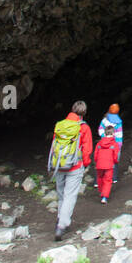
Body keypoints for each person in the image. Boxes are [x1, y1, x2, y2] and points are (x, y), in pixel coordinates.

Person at [48, 101, 93, 241]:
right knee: (70, 195)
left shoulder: (60, 125)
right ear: (84, 113)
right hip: (74, 166)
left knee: (61, 194)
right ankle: (62, 225)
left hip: (60, 165)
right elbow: (87, 149)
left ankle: (60, 218)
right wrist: (85, 164)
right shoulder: (84, 128)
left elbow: (54, 145)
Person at [93, 126, 120, 204]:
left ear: (104, 133)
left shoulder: (99, 143)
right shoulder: (114, 144)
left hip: (99, 165)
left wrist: (96, 162)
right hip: (109, 165)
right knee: (108, 180)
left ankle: (101, 192)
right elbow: (115, 156)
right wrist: (115, 162)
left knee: (100, 178)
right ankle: (104, 197)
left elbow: (95, 155)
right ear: (113, 133)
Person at [99, 103, 124, 184]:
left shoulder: (105, 121)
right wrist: (118, 145)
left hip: (107, 144)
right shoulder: (115, 122)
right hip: (111, 144)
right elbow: (119, 135)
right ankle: (112, 178)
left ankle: (110, 178)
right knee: (113, 160)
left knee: (109, 161)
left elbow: (101, 131)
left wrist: (105, 138)